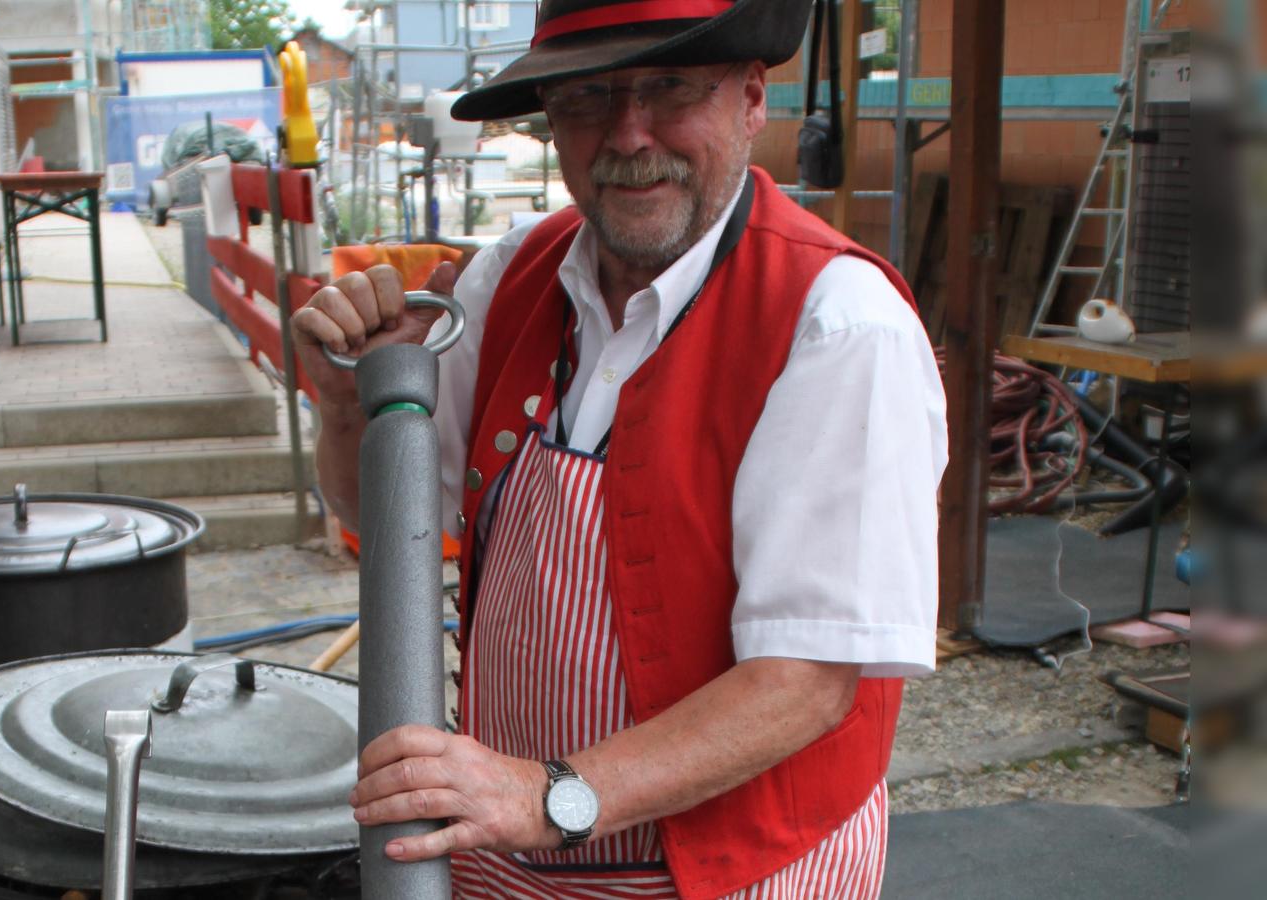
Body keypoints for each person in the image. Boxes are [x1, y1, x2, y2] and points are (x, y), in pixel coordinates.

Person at [290, 0, 947, 896]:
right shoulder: (511, 275)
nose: (630, 135)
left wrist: (549, 794)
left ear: (751, 98)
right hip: (509, 852)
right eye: (588, 98)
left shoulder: (839, 326)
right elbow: (381, 518)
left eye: (670, 87)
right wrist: (345, 409)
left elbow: (806, 680)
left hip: (729, 873)